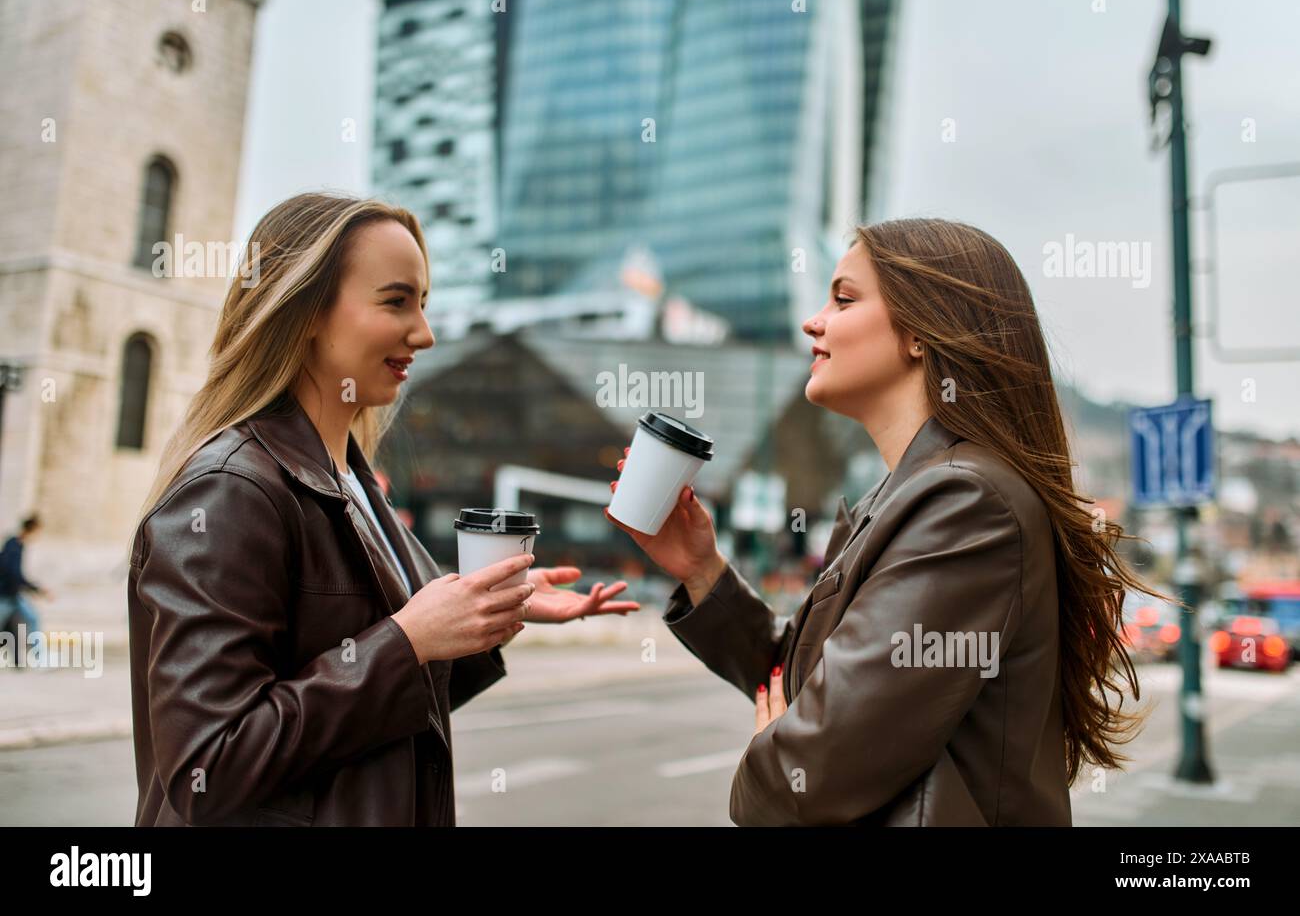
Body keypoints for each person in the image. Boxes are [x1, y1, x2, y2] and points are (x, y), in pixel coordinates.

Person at [606, 218, 1167, 826]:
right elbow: (809, 678)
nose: (813, 321)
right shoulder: (908, 495)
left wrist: (767, 762)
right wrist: (701, 569)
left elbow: (814, 765)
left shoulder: (967, 503)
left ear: (921, 333)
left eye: (844, 299)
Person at [128, 192, 638, 826]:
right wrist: (408, 641)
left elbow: (385, 678)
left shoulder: (351, 480)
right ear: (306, 309)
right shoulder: (231, 489)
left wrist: (484, 605)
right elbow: (207, 768)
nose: (423, 333)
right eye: (396, 301)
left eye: (423, 304)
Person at [0, 515, 50, 643]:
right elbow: (13, 573)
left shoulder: (18, 545)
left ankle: (38, 656)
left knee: (33, 619)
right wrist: (35, 589)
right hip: (6, 594)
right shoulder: (13, 545)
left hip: (14, 594)